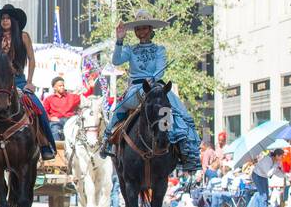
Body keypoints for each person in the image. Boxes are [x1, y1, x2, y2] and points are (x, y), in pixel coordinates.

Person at [99, 9, 202, 171]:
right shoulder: (130, 49)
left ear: (150, 29)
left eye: (144, 28)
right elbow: (116, 61)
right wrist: (119, 40)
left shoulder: (160, 49)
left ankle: (184, 148)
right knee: (119, 107)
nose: (141, 32)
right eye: (138, 29)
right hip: (136, 88)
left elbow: (160, 70)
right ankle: (107, 138)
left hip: (156, 87)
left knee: (178, 111)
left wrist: (153, 78)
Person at [0, 4, 57, 159]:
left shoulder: (23, 36)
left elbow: (32, 59)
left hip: (18, 80)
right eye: (2, 18)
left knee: (39, 108)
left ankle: (46, 145)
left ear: (13, 20)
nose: (4, 21)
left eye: (7, 18)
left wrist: (29, 82)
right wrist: (2, 51)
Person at [42, 75, 86, 143]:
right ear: (54, 87)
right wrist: (50, 118)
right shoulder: (49, 99)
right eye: (60, 86)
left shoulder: (71, 96)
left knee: (79, 130)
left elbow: (84, 96)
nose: (62, 87)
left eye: (63, 85)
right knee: (55, 129)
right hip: (57, 121)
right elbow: (44, 112)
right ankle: (58, 151)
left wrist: (91, 88)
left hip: (70, 120)